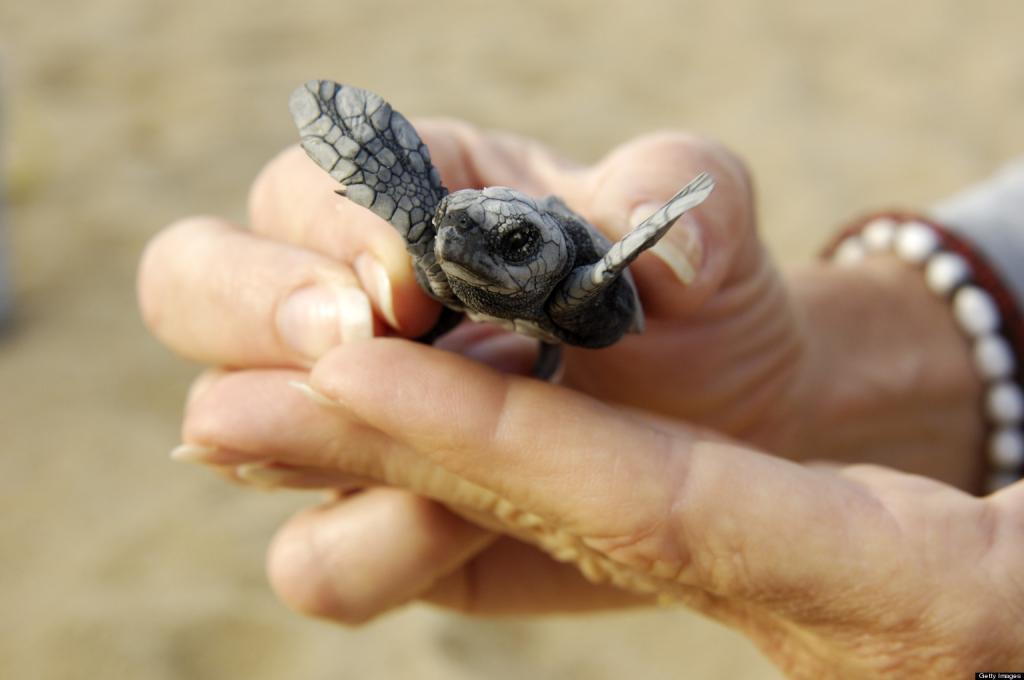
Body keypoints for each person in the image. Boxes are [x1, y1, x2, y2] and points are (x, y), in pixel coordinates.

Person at [137, 120, 1024, 677]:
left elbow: (620, 252)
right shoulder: (449, 235)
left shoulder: (576, 279)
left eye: (509, 236)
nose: (470, 239)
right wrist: (827, 383)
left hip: (579, 311)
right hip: (520, 326)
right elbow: (427, 202)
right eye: (456, 223)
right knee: (386, 295)